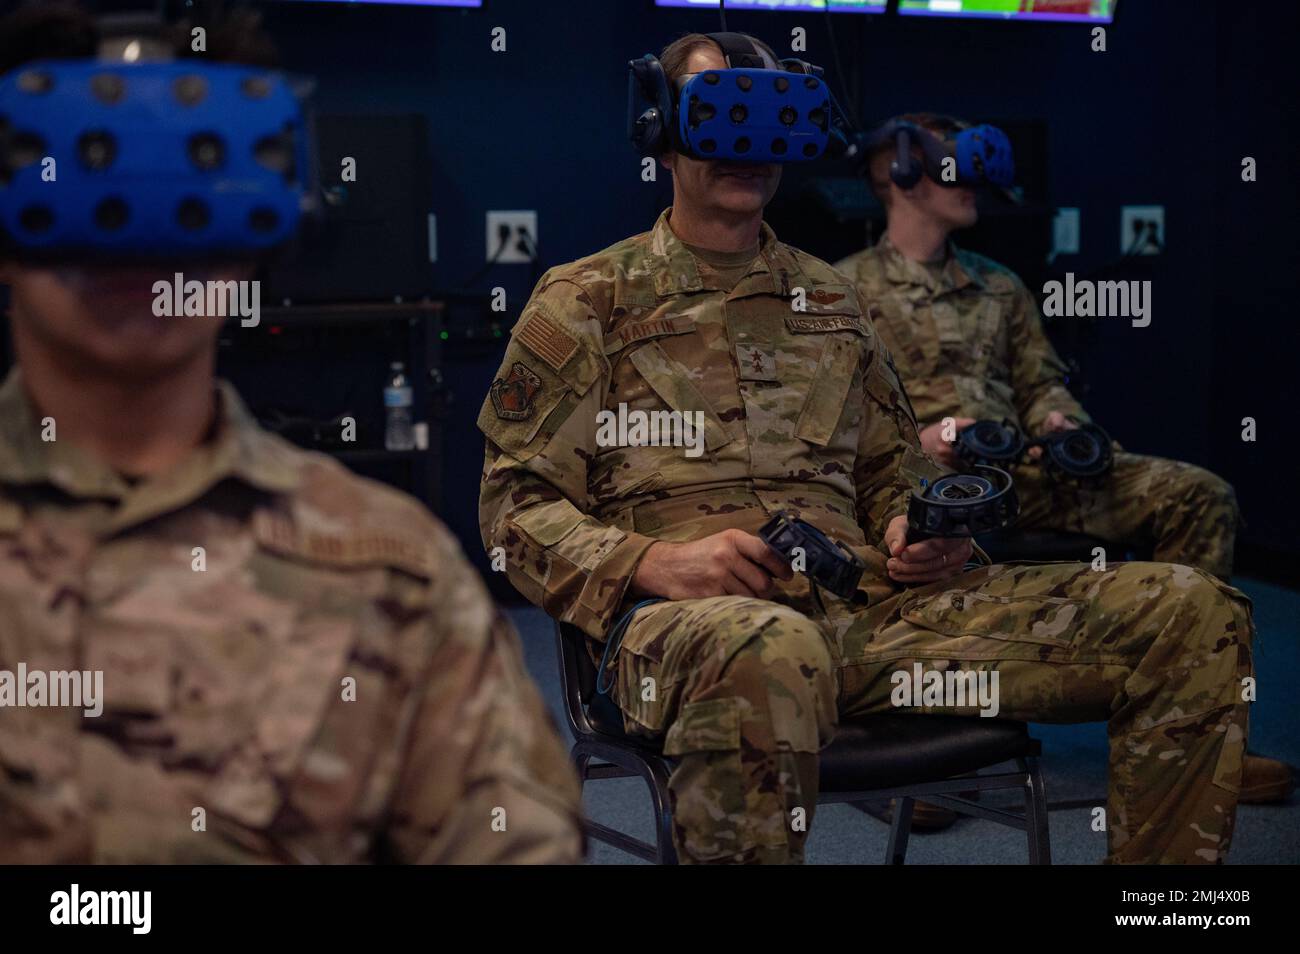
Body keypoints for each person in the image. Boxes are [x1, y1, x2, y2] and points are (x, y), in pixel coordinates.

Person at [479, 32, 1255, 864]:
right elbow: (512, 509)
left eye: (769, 118)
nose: (747, 144)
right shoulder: (586, 299)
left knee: (1190, 611)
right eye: (719, 116)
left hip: (873, 618)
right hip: (686, 630)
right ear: (661, 136)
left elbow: (896, 472)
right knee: (769, 650)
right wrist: (649, 563)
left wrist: (915, 529)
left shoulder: (833, 299)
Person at [0, 3, 582, 864]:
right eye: (84, 170)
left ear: (266, 217)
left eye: (191, 180)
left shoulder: (394, 576)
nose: (135, 233)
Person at [833, 112, 1291, 808]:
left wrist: (1059, 420)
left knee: (1200, 494)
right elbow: (841, 425)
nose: (975, 186)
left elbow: (1041, 380)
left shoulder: (1000, 285)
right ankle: (913, 749)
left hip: (1025, 471)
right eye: (955, 168)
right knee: (910, 513)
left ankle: (1193, 737)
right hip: (926, 479)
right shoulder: (845, 290)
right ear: (897, 176)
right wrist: (916, 442)